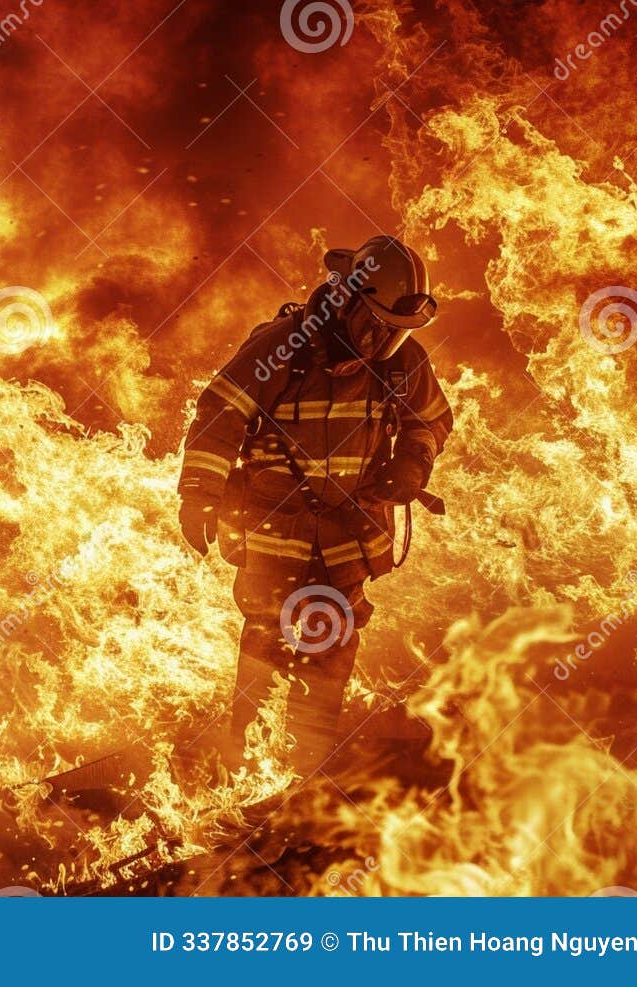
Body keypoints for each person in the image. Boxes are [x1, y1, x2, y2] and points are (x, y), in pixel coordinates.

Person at [177, 235, 453, 775]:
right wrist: (199, 497)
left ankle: (306, 763)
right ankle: (240, 762)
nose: (383, 342)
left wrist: (412, 464)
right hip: (275, 528)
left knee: (334, 639)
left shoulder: (403, 361)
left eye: (396, 333)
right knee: (265, 636)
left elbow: (431, 420)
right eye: (376, 325)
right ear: (346, 300)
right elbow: (220, 413)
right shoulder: (285, 347)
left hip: (350, 531)